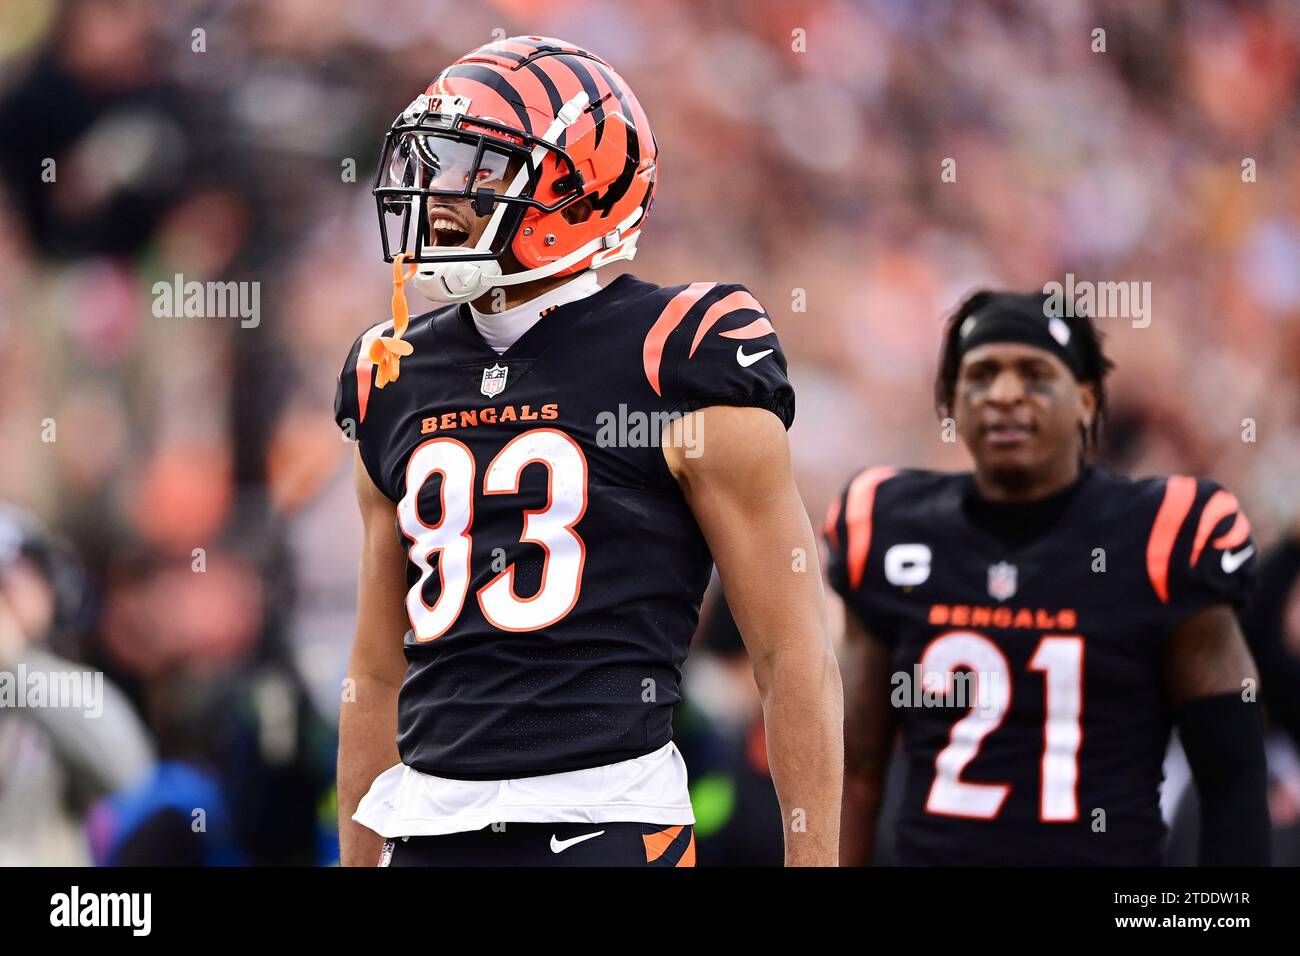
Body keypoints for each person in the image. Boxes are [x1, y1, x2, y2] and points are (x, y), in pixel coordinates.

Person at [334, 36, 841, 867]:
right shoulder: (391, 374)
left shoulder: (679, 349)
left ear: (580, 189)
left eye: (479, 169)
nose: (439, 193)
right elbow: (376, 676)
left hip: (605, 819)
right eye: (434, 163)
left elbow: (792, 656)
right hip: (425, 829)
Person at [824, 290, 1269, 866]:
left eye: (1034, 374)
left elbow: (1232, 772)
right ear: (953, 404)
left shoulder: (1163, 536)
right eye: (981, 375)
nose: (1005, 395)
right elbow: (855, 767)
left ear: (1086, 399)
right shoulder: (886, 524)